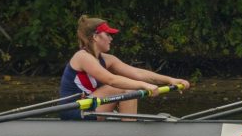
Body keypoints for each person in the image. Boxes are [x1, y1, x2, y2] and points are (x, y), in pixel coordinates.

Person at [58, 16, 191, 120]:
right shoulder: (82, 57)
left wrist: (171, 80)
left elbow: (138, 73)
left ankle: (127, 132)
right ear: (95, 37)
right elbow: (111, 80)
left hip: (90, 107)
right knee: (125, 87)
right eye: (108, 35)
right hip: (74, 111)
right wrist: (144, 86)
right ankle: (128, 134)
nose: (111, 39)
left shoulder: (108, 59)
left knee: (129, 87)